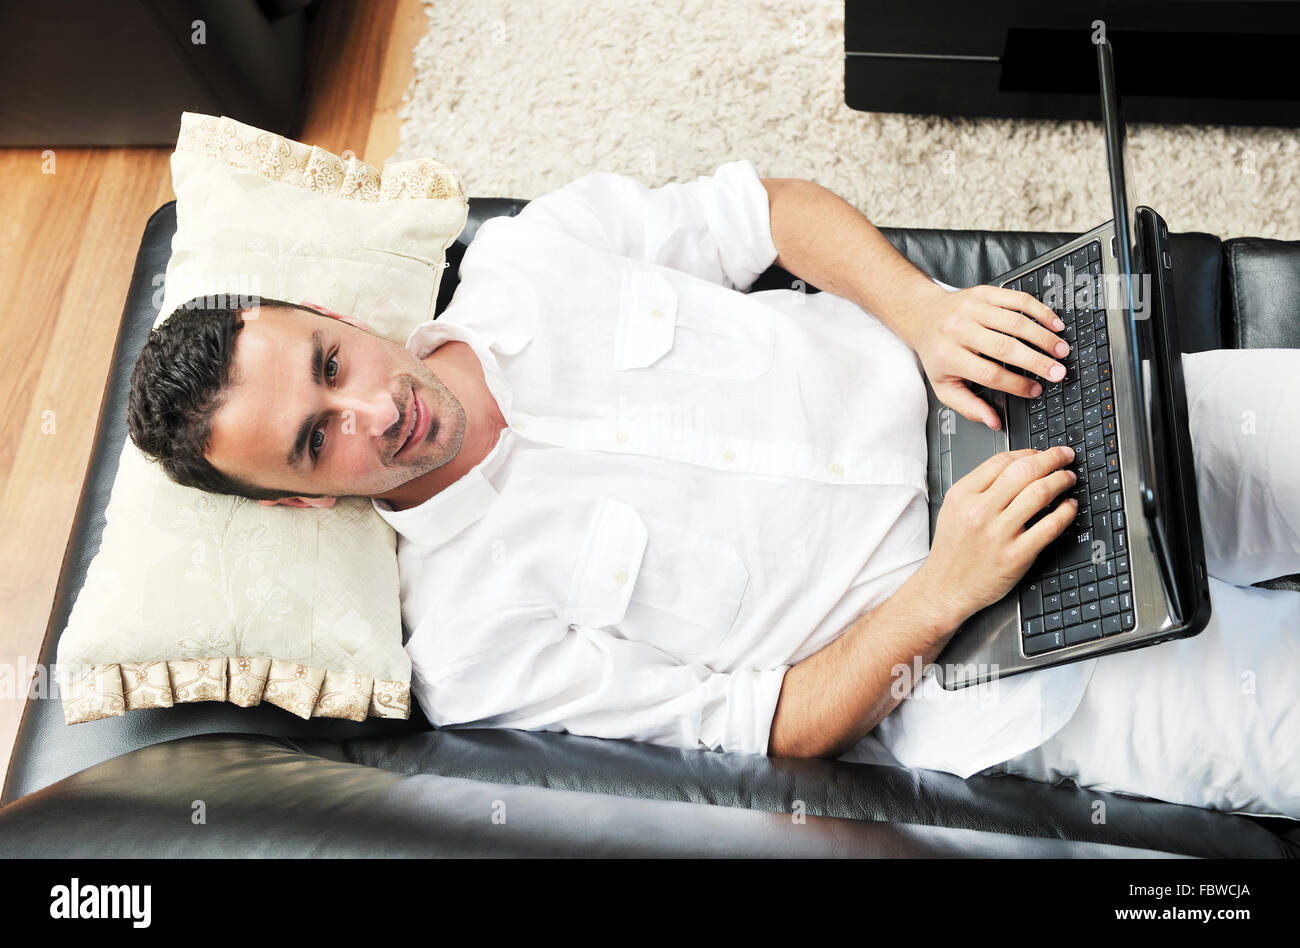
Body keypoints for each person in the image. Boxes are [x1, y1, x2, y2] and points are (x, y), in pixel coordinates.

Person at [126, 161, 1300, 819]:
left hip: (1029, 398)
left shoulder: (531, 256)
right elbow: (765, 730)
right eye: (314, 440)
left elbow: (765, 209)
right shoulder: (471, 645)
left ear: (336, 317)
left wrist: (924, 311)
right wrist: (944, 588)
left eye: (332, 366)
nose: (372, 413)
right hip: (1014, 669)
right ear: (297, 501)